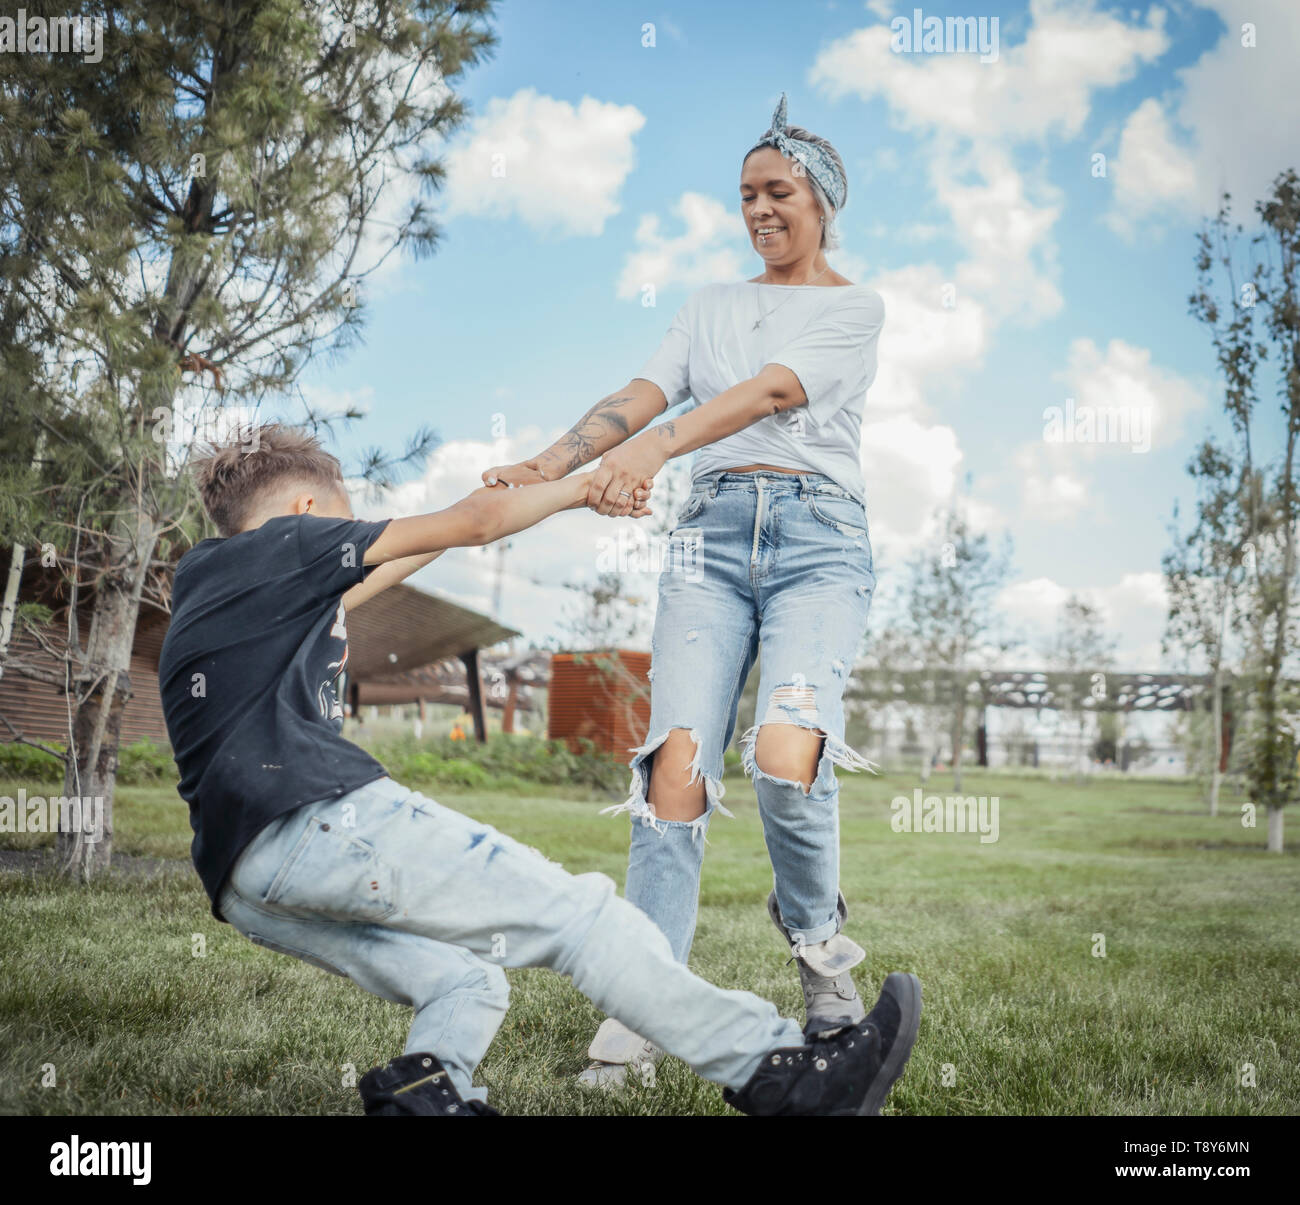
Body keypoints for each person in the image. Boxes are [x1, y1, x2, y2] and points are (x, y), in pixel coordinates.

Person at [158, 422, 921, 1116]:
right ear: (302, 511)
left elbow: (432, 539)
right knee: (585, 919)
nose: (349, 535)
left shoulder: (223, 582)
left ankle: (427, 1097)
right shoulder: (289, 546)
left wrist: (499, 492)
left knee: (468, 979)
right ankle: (783, 1073)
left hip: (245, 882)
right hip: (319, 819)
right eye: (342, 518)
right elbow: (474, 525)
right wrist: (582, 487)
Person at [484, 94, 891, 1087]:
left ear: (822, 200)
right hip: (708, 541)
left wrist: (655, 451)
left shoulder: (854, 308)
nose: (758, 209)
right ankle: (645, 1003)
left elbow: (770, 391)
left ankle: (819, 955)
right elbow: (641, 393)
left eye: (777, 191)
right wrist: (553, 460)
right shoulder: (708, 304)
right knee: (675, 764)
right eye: (745, 194)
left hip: (818, 541)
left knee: (786, 752)